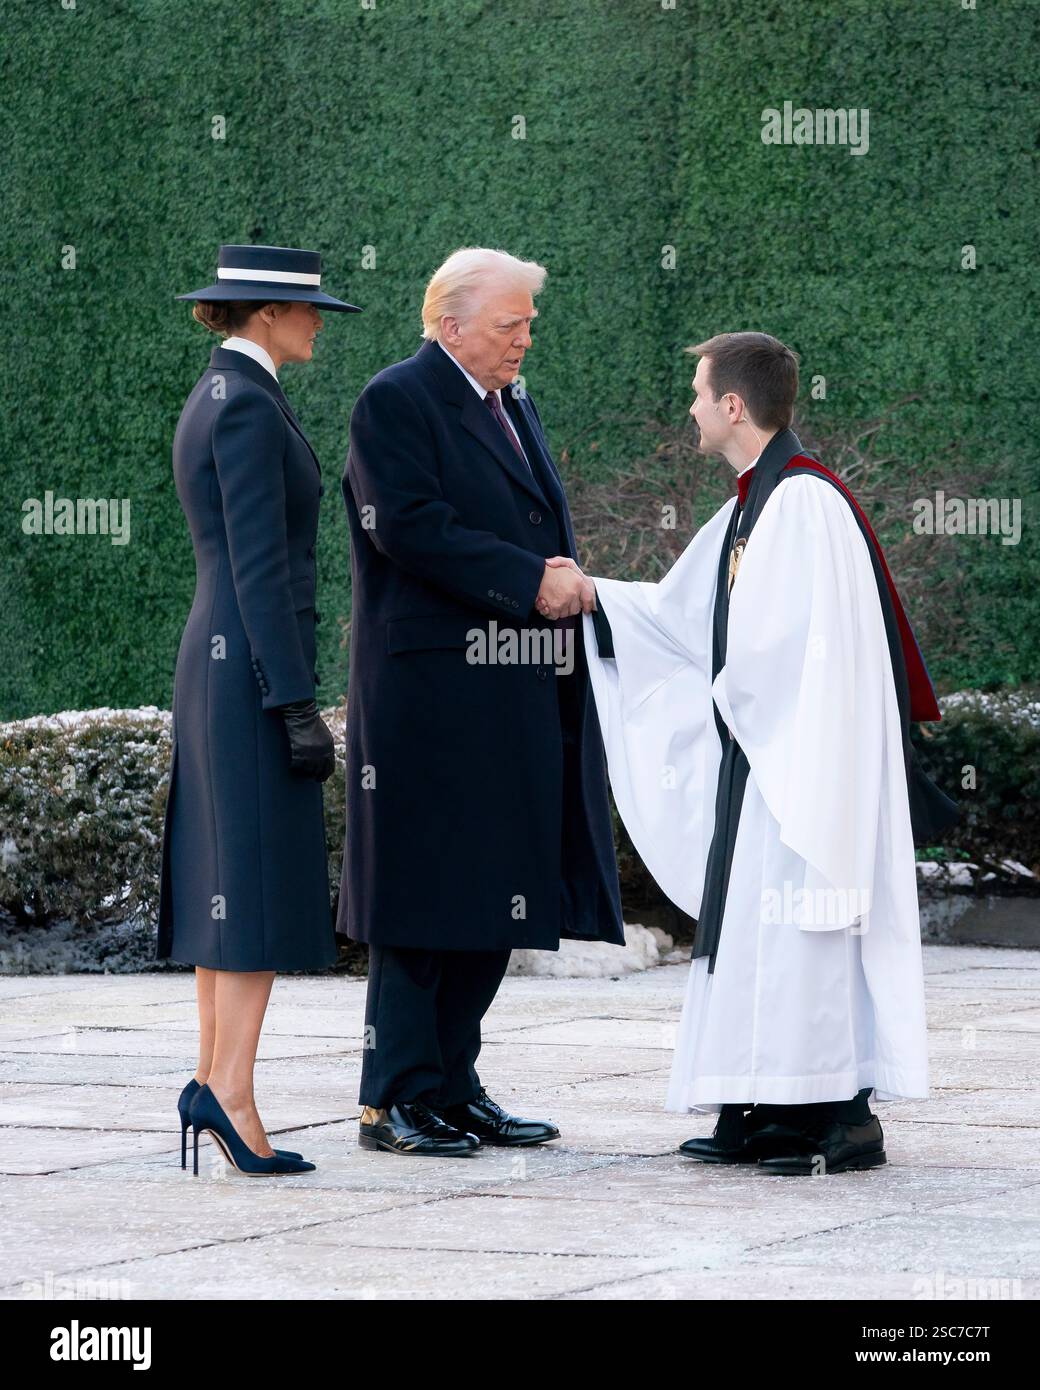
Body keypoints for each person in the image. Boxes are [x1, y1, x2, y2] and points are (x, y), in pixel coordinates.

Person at [562, 331, 957, 1175]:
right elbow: (680, 612)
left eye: (700, 395)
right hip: (767, 757)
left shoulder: (805, 503)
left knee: (801, 932)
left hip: (806, 763)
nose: (691, 410)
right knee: (752, 931)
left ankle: (839, 1116)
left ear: (734, 406)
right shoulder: (756, 499)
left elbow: (781, 650)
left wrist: (733, 693)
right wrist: (595, 595)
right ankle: (763, 1101)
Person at [338, 247, 622, 1156]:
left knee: (493, 889)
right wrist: (527, 581)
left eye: (529, 323)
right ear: (450, 324)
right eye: (511, 324)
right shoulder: (396, 398)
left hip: (512, 685)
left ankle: (455, 1085)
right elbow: (409, 527)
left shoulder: (512, 401)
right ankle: (395, 1097)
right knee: (424, 897)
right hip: (431, 694)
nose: (525, 339)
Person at [157, 244, 361, 1176]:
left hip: (222, 661)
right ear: (267, 316)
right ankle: (232, 1095)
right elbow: (260, 567)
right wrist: (293, 699)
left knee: (227, 877)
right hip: (246, 670)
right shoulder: (245, 405)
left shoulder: (228, 394)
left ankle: (213, 1080)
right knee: (250, 887)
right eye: (310, 309)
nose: (321, 322)